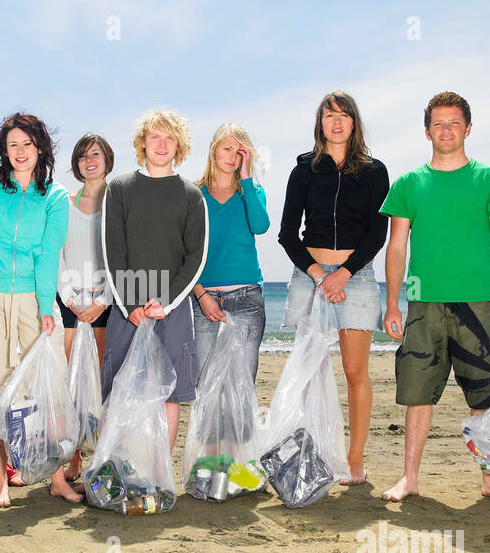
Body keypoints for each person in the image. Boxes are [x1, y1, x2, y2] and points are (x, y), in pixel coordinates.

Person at [380, 91, 490, 505]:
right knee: (417, 393)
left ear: (467, 128)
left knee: (483, 395)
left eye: (454, 123)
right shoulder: (409, 183)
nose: (446, 130)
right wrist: (392, 303)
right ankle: (409, 478)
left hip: (477, 302)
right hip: (422, 303)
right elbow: (396, 248)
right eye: (438, 123)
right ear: (427, 131)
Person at [0, 113, 78, 507]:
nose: (20, 152)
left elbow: (46, 255)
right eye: (13, 146)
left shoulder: (55, 197)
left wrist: (44, 307)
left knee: (45, 387)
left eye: (27, 144)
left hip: (32, 299)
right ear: (3, 152)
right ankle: (2, 483)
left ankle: (56, 478)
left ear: (40, 147)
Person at [278, 91, 390, 485]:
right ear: (320, 124)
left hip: (356, 278)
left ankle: (354, 458)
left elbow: (379, 233)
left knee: (355, 370)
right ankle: (316, 454)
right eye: (329, 116)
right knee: (311, 370)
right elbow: (287, 234)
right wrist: (320, 274)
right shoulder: (304, 171)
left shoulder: (375, 171)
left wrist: (344, 272)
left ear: (354, 122)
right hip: (310, 278)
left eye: (344, 115)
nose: (336, 122)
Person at [101, 109, 207, 451]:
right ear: (143, 143)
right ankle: (121, 469)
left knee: (169, 393)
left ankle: (159, 474)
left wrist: (166, 301)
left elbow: (196, 257)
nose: (162, 144)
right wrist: (131, 304)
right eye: (155, 137)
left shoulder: (191, 195)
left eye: (169, 137)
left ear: (179, 145)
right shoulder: (119, 188)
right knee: (122, 390)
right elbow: (113, 252)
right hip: (127, 305)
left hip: (171, 309)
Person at [190, 123, 269, 381]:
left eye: (239, 152)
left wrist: (246, 179)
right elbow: (183, 251)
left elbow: (260, 226)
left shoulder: (253, 192)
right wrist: (201, 295)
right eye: (227, 148)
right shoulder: (193, 195)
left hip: (248, 300)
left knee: (242, 391)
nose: (232, 156)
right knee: (206, 390)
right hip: (204, 301)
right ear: (213, 151)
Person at [57, 134, 114, 480]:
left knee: (101, 384)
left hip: (104, 303)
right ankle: (74, 454)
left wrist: (101, 300)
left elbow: (123, 258)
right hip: (69, 303)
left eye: (96, 154)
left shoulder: (120, 200)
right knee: (70, 384)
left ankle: (102, 454)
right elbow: (56, 253)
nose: (89, 160)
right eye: (82, 156)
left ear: (107, 158)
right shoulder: (64, 202)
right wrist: (69, 297)